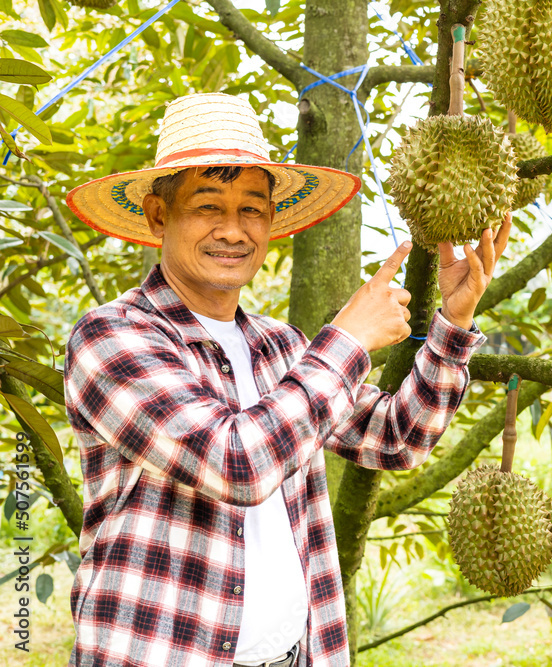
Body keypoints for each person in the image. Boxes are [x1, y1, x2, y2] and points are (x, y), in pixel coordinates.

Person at [62, 92, 510, 667]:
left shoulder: (281, 347)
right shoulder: (111, 339)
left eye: (252, 208)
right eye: (207, 206)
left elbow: (399, 437)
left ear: (272, 220)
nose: (233, 230)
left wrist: (455, 320)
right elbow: (235, 463)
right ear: (158, 216)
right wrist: (349, 340)